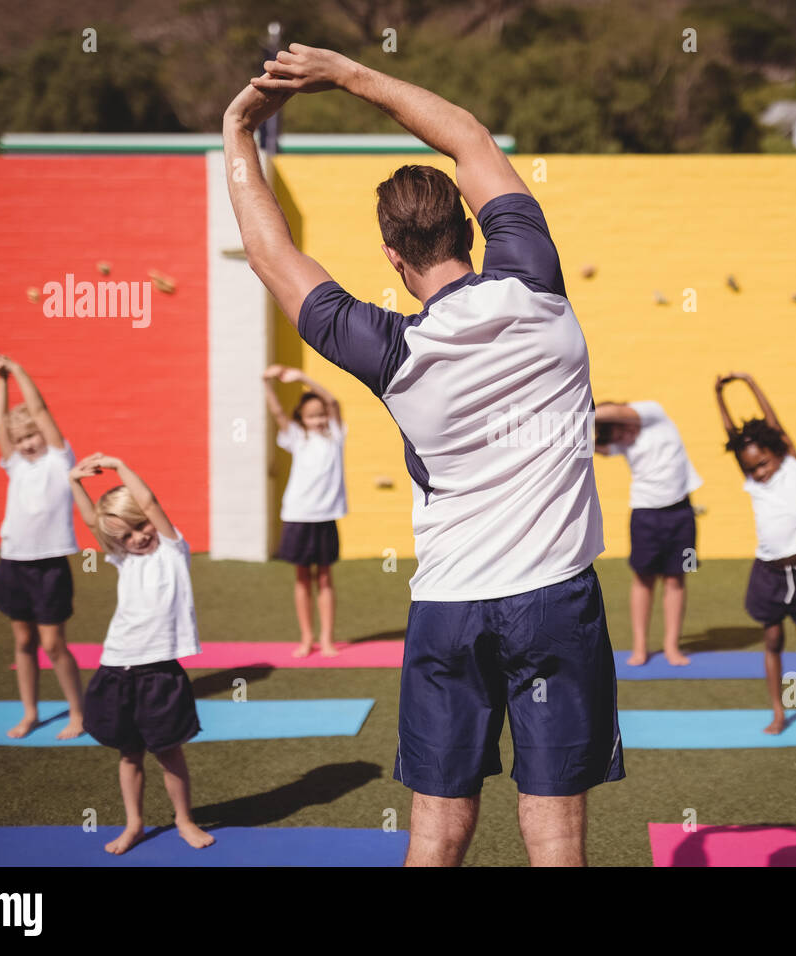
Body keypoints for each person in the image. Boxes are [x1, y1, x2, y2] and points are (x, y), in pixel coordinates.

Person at [224, 45, 623, 866]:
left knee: (436, 833)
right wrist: (350, 75)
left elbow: (271, 257)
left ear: (393, 261)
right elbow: (469, 139)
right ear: (472, 228)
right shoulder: (537, 282)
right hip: (555, 604)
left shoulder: (389, 350)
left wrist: (238, 133)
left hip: (449, 611)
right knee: (555, 837)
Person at [69, 453, 212, 855]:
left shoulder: (172, 548)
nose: (137, 537)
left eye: (140, 526)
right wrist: (74, 482)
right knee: (129, 754)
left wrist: (118, 466)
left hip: (160, 671)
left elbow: (148, 502)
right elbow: (92, 522)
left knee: (169, 753)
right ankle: (134, 823)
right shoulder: (122, 558)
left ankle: (184, 819)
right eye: (126, 534)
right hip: (116, 667)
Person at [715, 371, 796, 736]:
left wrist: (751, 383)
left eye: (764, 463)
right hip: (768, 574)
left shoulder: (792, 466)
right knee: (772, 640)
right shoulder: (752, 483)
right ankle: (778, 712)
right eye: (752, 468)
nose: (759, 472)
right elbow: (730, 435)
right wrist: (719, 394)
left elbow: (775, 423)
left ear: (777, 452)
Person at [0, 351, 84, 740]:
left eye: (31, 436)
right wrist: (1, 381)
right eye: (20, 438)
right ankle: (30, 712)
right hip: (13, 562)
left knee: (53, 643)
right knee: (23, 641)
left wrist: (18, 370)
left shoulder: (59, 460)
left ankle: (78, 712)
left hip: (49, 566)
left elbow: (40, 410)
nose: (26, 443)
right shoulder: (15, 464)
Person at [593, 401, 702, 666]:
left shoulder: (653, 414)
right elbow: (595, 447)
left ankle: (671, 647)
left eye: (623, 431)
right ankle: (640, 646)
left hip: (681, 512)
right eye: (618, 438)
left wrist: (578, 412)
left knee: (676, 579)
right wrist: (575, 429)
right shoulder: (621, 442)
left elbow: (617, 412)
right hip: (645, 514)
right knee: (644, 579)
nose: (624, 439)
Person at [263, 363, 347, 657]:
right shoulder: (297, 437)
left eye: (321, 414)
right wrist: (267, 384)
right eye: (312, 416)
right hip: (298, 515)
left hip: (325, 516)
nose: (319, 419)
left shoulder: (336, 434)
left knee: (324, 577)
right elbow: (277, 414)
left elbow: (334, 401)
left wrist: (303, 378)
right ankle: (306, 638)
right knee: (302, 577)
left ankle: (326, 638)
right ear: (302, 418)